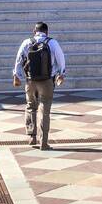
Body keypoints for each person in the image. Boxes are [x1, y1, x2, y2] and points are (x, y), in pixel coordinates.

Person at [12, 22, 65, 150]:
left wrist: (16, 75)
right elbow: (61, 60)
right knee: (44, 111)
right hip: (47, 81)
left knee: (30, 107)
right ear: (47, 32)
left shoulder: (26, 42)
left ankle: (32, 137)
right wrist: (61, 74)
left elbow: (19, 60)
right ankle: (44, 142)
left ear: (34, 31)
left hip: (30, 81)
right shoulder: (52, 43)